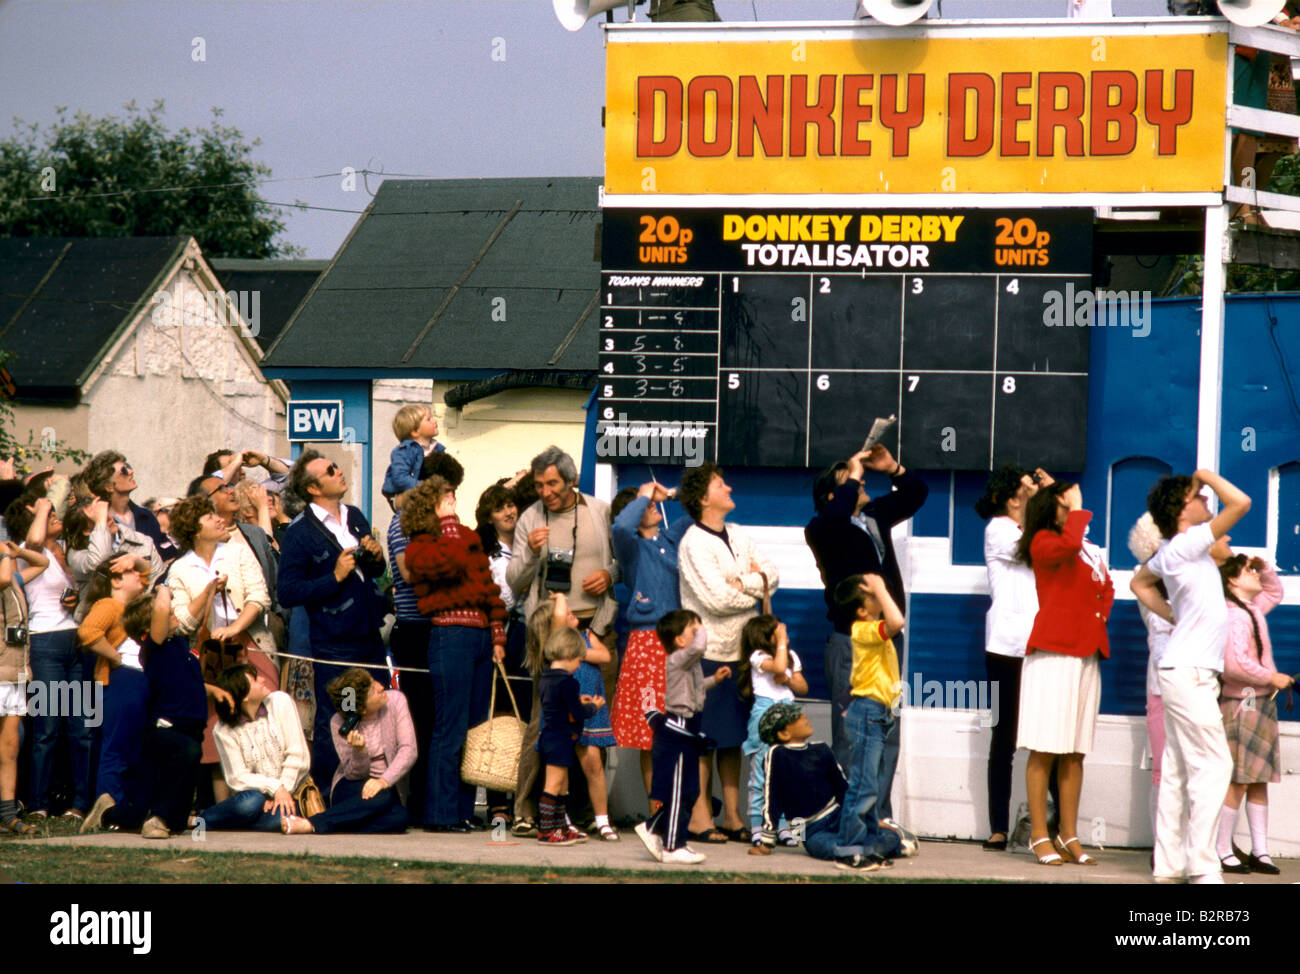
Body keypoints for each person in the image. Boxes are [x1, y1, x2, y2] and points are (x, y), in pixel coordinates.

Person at [1132, 470, 1251, 884]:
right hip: (1190, 672)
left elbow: (1139, 583)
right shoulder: (1187, 541)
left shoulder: (1177, 550)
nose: (1206, 499)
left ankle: (1169, 866)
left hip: (1184, 669)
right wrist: (1208, 475)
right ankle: (1202, 866)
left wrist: (1174, 617)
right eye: (1198, 496)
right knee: (1214, 765)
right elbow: (1241, 502)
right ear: (1181, 510)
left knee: (1180, 770)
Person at [804, 445, 926, 816]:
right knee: (853, 734)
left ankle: (880, 816)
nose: (860, 485)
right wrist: (852, 472)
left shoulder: (870, 516)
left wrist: (893, 468)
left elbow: (915, 495)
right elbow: (837, 515)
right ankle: (848, 814)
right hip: (852, 641)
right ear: (832, 495)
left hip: (887, 638)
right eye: (850, 484)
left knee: (887, 730)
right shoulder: (823, 527)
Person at [506, 446, 617, 835]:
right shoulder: (530, 518)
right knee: (543, 723)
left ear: (571, 481)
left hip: (594, 627)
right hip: (551, 636)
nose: (545, 491)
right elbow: (515, 581)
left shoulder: (599, 511)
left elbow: (621, 560)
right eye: (538, 484)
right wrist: (534, 554)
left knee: (592, 726)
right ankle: (524, 809)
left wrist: (609, 574)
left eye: (552, 483)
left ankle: (585, 814)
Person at [677, 462, 778, 843]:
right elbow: (715, 599)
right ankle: (700, 818)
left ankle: (733, 817)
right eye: (721, 485)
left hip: (742, 654)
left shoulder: (737, 534)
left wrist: (751, 581)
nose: (730, 488)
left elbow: (774, 575)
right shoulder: (692, 542)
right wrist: (757, 587)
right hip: (709, 653)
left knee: (733, 739)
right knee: (704, 739)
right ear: (704, 498)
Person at [400, 475, 507, 832]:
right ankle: (441, 814)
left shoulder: (468, 537)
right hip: (450, 633)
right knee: (450, 727)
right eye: (445, 498)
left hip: (478, 637)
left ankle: (463, 810)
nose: (452, 503)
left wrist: (497, 634)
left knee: (474, 728)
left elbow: (488, 586)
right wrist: (448, 525)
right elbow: (448, 565)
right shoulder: (420, 545)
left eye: (453, 496)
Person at [277, 450, 389, 789]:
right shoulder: (299, 532)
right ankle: (333, 791)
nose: (339, 471)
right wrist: (335, 577)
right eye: (330, 470)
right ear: (313, 488)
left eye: (337, 466)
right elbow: (288, 592)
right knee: (346, 715)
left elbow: (375, 573)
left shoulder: (353, 515)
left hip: (368, 636)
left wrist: (375, 557)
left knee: (379, 710)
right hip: (336, 644)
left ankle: (376, 788)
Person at [1014, 481, 1112, 867]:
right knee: (1045, 748)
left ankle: (1068, 833)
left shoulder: (1084, 546)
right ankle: (1039, 834)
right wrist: (1077, 509)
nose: (1073, 504)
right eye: (1065, 501)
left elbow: (1105, 586)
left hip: (1086, 651)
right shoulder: (1042, 541)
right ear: (1053, 506)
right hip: (1053, 653)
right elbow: (1068, 545)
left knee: (1074, 751)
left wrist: (1097, 620)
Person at [167, 493, 280, 803]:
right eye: (209, 517)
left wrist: (234, 628)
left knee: (261, 717)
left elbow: (260, 597)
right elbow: (183, 622)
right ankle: (223, 809)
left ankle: (269, 800)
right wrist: (207, 592)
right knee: (217, 729)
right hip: (209, 655)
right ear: (193, 529)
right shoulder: (179, 569)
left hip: (250, 645)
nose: (219, 520)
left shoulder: (239, 554)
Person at [974, 465, 1056, 850]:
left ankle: (1051, 825)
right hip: (1006, 646)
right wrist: (1052, 504)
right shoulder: (998, 529)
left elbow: (1065, 545)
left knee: (1048, 736)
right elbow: (1034, 551)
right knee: (1003, 737)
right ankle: (998, 826)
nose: (1034, 488)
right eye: (1028, 485)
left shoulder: (1038, 528)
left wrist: (1055, 501)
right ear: (1012, 498)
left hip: (1041, 643)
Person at [5, 492, 91, 821]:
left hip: (76, 640)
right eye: (46, 511)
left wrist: (75, 598)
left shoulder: (64, 550)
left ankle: (80, 802)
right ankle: (39, 803)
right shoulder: (28, 549)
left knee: (83, 726)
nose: (54, 513)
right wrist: (42, 503)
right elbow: (36, 537)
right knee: (47, 729)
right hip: (45, 644)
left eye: (54, 510)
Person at [609, 481, 691, 799]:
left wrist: (670, 494)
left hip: (681, 641)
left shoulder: (671, 539)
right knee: (653, 732)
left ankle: (684, 809)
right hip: (647, 644)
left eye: (651, 503)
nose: (651, 506)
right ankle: (658, 810)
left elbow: (699, 507)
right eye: (644, 506)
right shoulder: (630, 549)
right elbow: (620, 525)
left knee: (683, 725)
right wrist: (642, 496)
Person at [1214, 553, 1292, 875]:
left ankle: (1260, 850)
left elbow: (1274, 592)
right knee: (1240, 778)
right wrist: (1270, 677)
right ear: (1232, 580)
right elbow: (1235, 666)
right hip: (1242, 702)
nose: (1255, 575)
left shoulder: (1252, 609)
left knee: (1258, 778)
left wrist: (1265, 568)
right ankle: (1220, 847)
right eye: (1249, 571)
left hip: (1260, 703)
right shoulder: (1233, 616)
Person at [632, 609, 729, 865]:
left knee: (690, 791)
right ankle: (673, 845)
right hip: (675, 731)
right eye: (693, 631)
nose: (699, 633)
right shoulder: (678, 659)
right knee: (677, 792)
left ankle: (654, 827)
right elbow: (698, 648)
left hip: (689, 730)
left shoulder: (690, 664)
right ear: (679, 640)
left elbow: (694, 689)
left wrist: (713, 680)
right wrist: (704, 627)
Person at [280, 667, 415, 835]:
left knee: (400, 818)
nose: (381, 687)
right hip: (352, 785)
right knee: (383, 798)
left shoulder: (396, 701)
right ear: (363, 709)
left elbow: (409, 750)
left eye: (375, 683)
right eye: (373, 691)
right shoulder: (340, 723)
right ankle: (313, 824)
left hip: (385, 784)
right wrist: (360, 751)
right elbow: (353, 774)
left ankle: (334, 822)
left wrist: (382, 781)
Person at [525, 593, 617, 840]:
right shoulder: (555, 651)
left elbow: (605, 656)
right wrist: (562, 596)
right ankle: (552, 826)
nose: (571, 612)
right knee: (557, 781)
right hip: (565, 724)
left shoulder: (585, 637)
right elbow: (558, 616)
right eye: (566, 613)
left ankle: (597, 820)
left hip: (580, 717)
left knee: (591, 766)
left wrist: (577, 650)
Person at [832, 574, 906, 870]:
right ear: (861, 610)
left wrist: (877, 589)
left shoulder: (874, 629)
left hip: (879, 712)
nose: (880, 596)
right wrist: (880, 587)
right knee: (863, 785)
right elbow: (897, 621)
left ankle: (870, 846)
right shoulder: (862, 630)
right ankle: (848, 849)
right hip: (867, 712)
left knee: (872, 786)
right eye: (872, 595)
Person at [78, 554, 154, 833]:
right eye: (131, 573)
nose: (140, 577)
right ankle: (107, 804)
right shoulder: (109, 604)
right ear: (117, 580)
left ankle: (119, 808)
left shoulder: (131, 604)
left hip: (135, 681)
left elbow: (148, 574)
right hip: (123, 678)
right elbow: (87, 632)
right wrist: (116, 658)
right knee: (117, 746)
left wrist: (134, 559)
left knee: (131, 746)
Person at [1127, 512, 1181, 862]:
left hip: (1197, 680)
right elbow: (1163, 619)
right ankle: (1163, 845)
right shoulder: (1145, 578)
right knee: (1163, 768)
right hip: (1163, 682)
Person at [199, 664, 312, 832]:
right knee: (250, 803)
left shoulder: (280, 702)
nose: (263, 679)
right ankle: (204, 819)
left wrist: (282, 792)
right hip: (255, 797)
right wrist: (274, 789)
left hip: (290, 791)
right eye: (255, 680)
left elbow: (298, 755)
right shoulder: (223, 730)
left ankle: (214, 823)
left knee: (282, 816)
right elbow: (237, 777)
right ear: (243, 696)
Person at [751, 702, 858, 867]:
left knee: (877, 833)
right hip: (811, 830)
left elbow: (842, 788)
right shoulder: (776, 754)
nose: (804, 716)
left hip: (839, 815)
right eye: (796, 717)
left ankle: (884, 843)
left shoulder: (822, 749)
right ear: (784, 733)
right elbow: (772, 799)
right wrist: (766, 842)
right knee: (825, 847)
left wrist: (858, 815)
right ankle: (859, 852)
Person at [739, 614, 807, 846]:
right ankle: (758, 825)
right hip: (765, 715)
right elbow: (777, 666)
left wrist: (787, 679)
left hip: (788, 713)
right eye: (780, 633)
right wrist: (781, 642)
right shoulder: (758, 656)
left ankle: (782, 826)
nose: (785, 637)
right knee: (761, 773)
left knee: (787, 773)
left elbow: (802, 686)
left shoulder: (791, 657)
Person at [535, 626, 602, 845]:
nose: (579, 665)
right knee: (554, 785)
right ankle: (546, 831)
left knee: (563, 785)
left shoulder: (546, 678)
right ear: (570, 656)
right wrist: (593, 706)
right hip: (561, 739)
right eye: (579, 660)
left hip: (549, 736)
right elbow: (578, 713)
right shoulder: (569, 682)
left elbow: (559, 704)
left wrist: (576, 701)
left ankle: (561, 828)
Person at [0, 539, 48, 833]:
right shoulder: (5, 577)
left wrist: (17, 551)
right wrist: (5, 553)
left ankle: (7, 813)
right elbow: (4, 577)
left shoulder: (14, 578)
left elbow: (43, 564)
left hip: (15, 672)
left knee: (10, 746)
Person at [81, 450, 178, 563]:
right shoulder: (100, 520)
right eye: (124, 471)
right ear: (109, 486)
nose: (131, 471)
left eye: (128, 466)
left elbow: (164, 555)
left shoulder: (146, 515)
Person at [381, 404, 446, 509]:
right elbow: (400, 478)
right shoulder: (406, 450)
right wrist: (426, 487)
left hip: (426, 494)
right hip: (402, 494)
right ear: (415, 432)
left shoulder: (438, 449)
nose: (435, 421)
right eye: (429, 419)